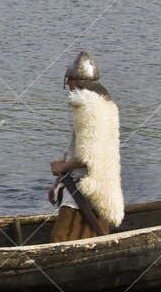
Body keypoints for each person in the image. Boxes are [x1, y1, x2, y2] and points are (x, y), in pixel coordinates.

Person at [48, 51, 125, 242]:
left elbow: (88, 157)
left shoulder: (88, 107)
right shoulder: (106, 105)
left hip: (84, 185)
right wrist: (58, 181)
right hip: (98, 183)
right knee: (93, 236)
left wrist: (62, 167)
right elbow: (81, 148)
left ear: (76, 81)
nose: (68, 84)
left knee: (61, 238)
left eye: (70, 80)